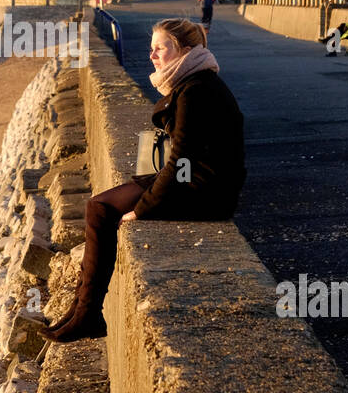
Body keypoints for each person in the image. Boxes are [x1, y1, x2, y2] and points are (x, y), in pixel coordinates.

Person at [37, 18, 246, 344]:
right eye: (152, 48)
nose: (152, 55)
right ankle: (82, 309)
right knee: (98, 205)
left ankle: (86, 313)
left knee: (101, 209)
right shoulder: (194, 82)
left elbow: (183, 162)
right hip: (199, 182)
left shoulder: (195, 91)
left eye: (160, 48)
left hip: (206, 193)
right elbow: (183, 161)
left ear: (185, 51)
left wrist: (144, 208)